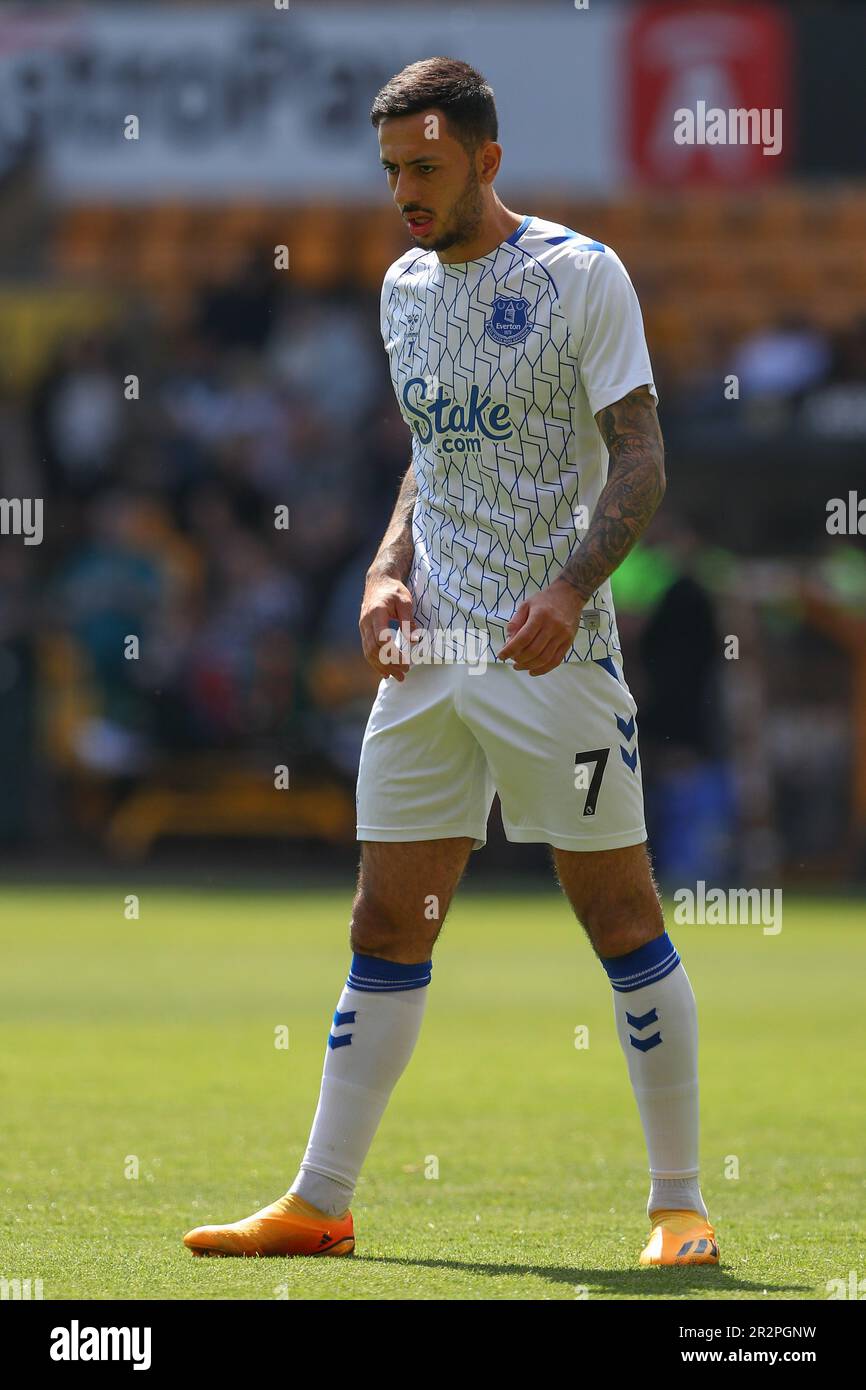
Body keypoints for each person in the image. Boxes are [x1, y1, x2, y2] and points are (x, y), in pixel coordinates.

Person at [183, 57, 717, 1269]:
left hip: (554, 657)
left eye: (423, 168)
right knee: (384, 919)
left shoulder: (579, 274)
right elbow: (431, 459)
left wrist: (572, 587)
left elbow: (638, 457)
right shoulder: (402, 286)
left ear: (483, 156)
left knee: (618, 912)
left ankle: (678, 1203)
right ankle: (321, 1201)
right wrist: (383, 573)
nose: (403, 193)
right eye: (388, 172)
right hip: (428, 660)